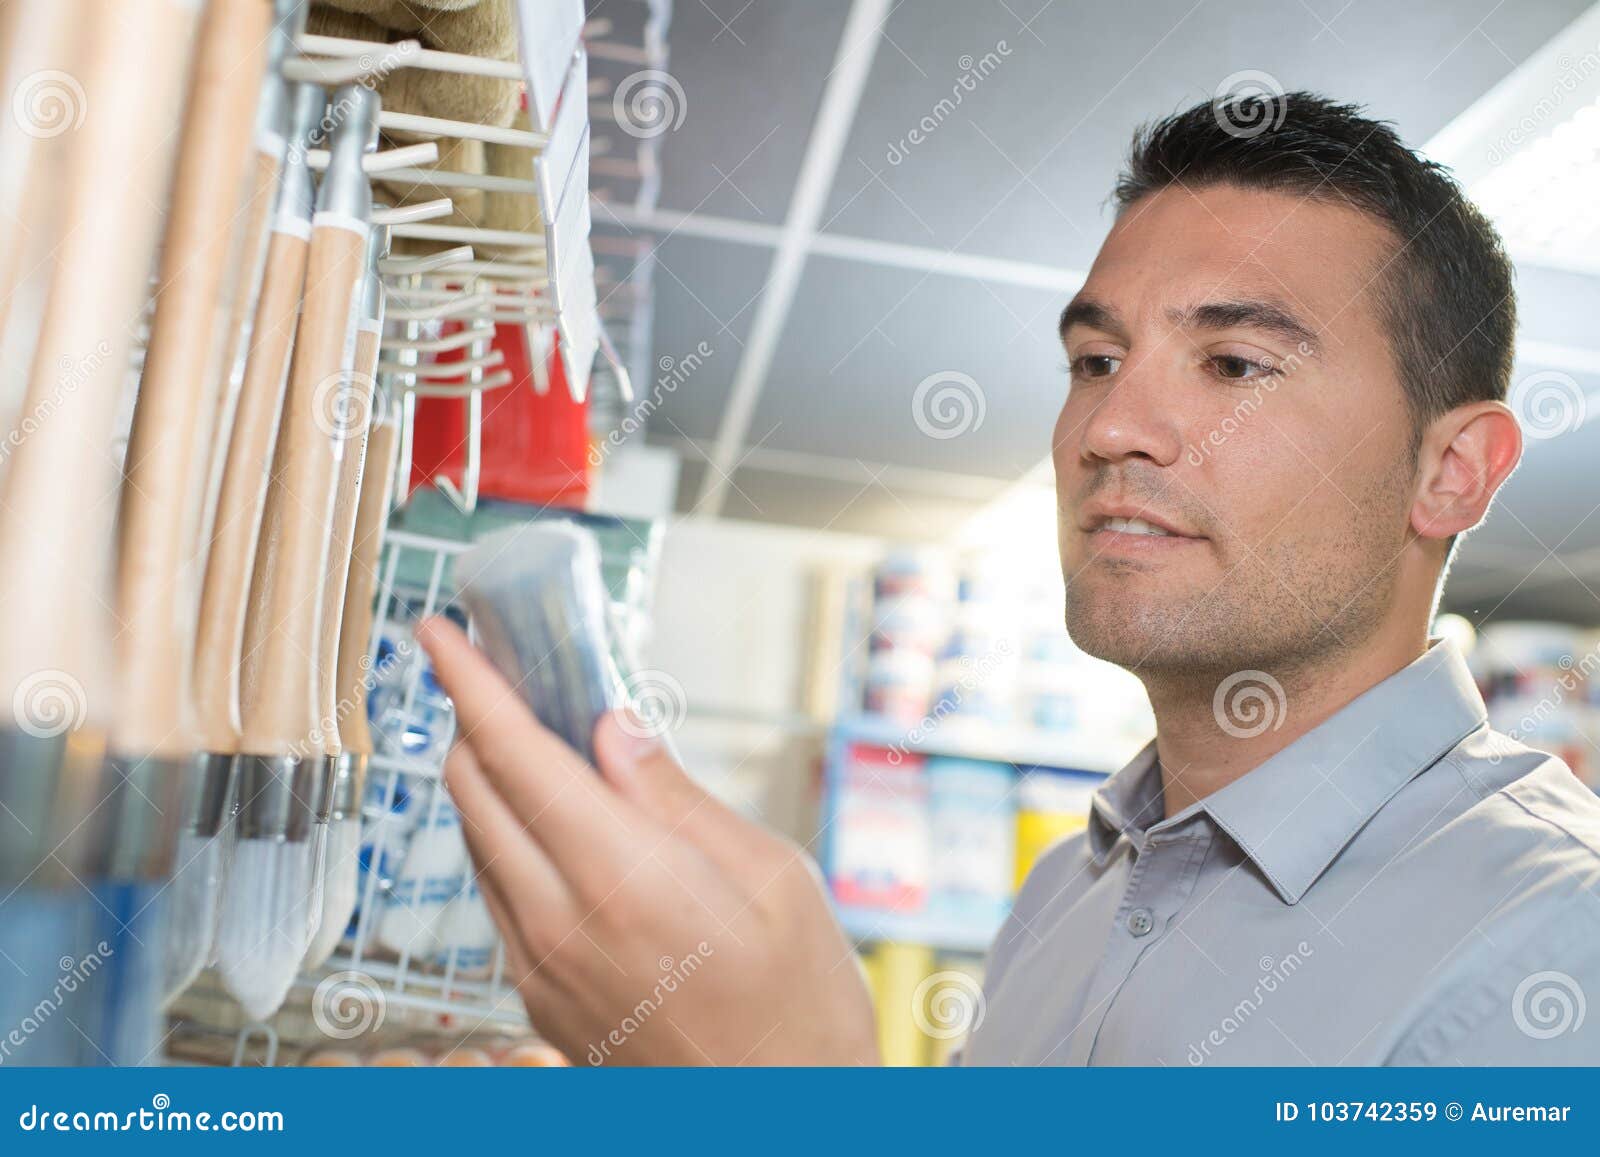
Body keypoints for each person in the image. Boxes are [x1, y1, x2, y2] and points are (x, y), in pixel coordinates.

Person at [417, 91, 1600, 1066]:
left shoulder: (1550, 944)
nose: (1112, 425)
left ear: (1451, 471)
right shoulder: (1064, 892)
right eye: (1095, 359)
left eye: (1233, 362)